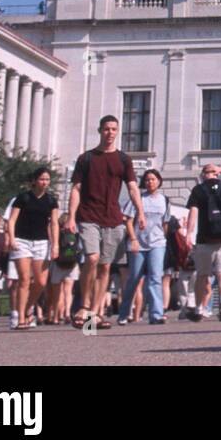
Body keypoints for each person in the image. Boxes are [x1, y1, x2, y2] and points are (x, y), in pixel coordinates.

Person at [67, 115, 144, 329]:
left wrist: (141, 212)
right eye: (106, 129)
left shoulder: (123, 159)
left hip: (113, 218)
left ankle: (93, 314)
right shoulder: (86, 158)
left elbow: (132, 187)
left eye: (113, 129)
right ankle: (83, 305)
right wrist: (71, 216)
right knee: (92, 258)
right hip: (88, 215)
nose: (110, 133)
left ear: (117, 132)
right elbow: (76, 189)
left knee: (105, 266)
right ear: (100, 131)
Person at [184, 164, 221, 322]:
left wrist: (189, 233)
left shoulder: (198, 190)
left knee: (203, 275)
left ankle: (199, 308)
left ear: (202, 175)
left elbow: (193, 213)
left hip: (204, 238)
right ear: (215, 174)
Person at [7, 166, 59, 329]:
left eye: (47, 180)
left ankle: (29, 307)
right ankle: (21, 318)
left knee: (41, 282)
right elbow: (11, 220)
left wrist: (55, 244)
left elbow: (54, 223)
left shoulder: (51, 200)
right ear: (35, 181)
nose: (45, 182)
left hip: (42, 242)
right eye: (42, 179)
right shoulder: (23, 198)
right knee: (24, 279)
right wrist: (11, 238)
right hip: (22, 241)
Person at [118, 169, 170, 325]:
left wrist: (164, 239)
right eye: (147, 180)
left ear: (159, 181)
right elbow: (127, 220)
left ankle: (156, 314)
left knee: (155, 277)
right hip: (138, 244)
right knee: (134, 279)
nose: (150, 182)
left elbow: (165, 222)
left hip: (157, 243)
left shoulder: (164, 200)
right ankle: (124, 313)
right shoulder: (138, 198)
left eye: (153, 179)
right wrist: (133, 238)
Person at [48, 213, 80, 325]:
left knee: (57, 292)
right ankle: (67, 313)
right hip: (71, 264)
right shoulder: (74, 234)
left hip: (58, 263)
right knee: (68, 291)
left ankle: (56, 316)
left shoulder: (57, 234)